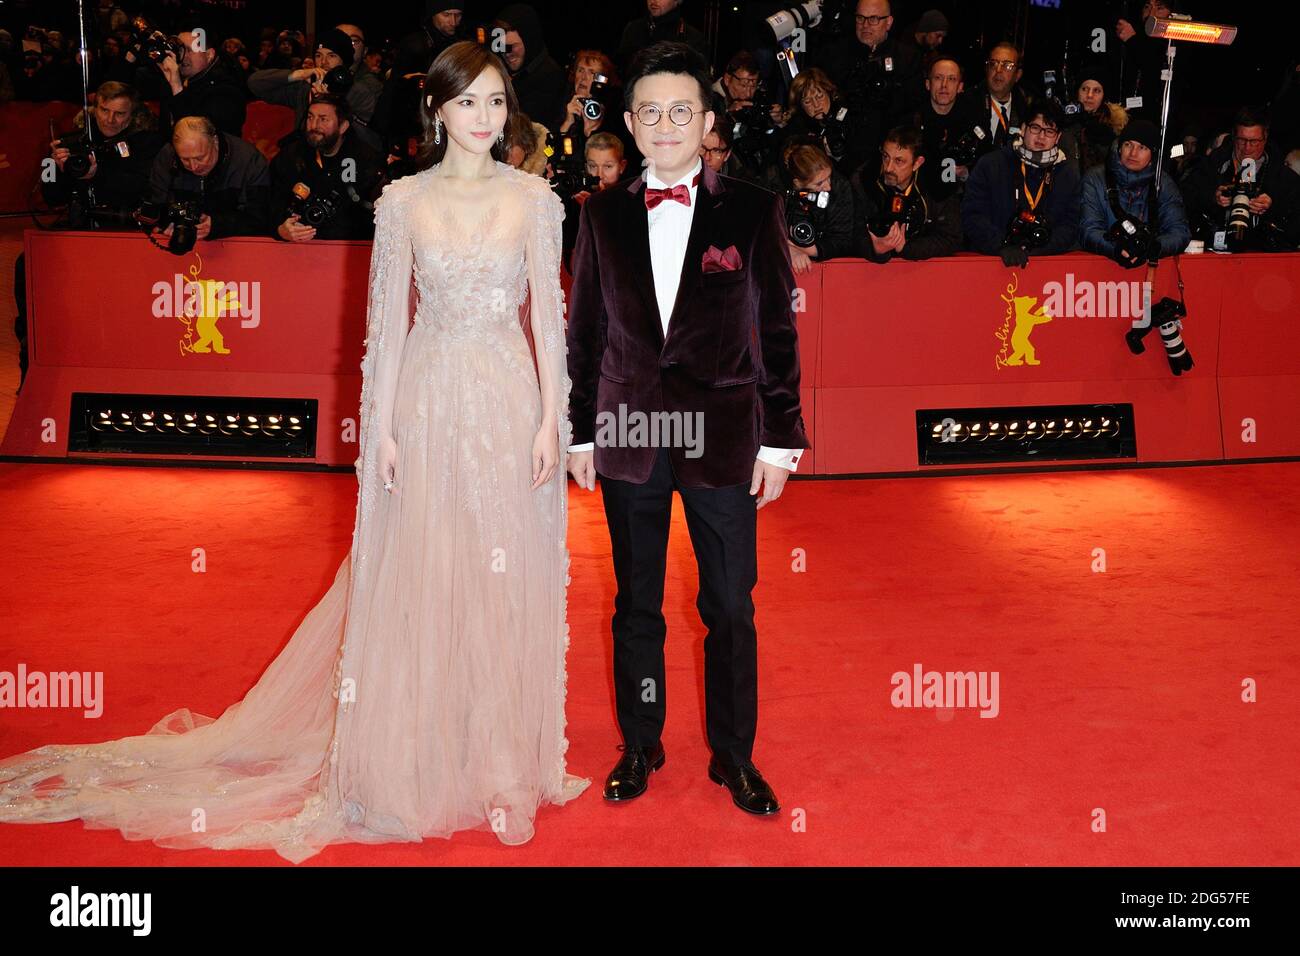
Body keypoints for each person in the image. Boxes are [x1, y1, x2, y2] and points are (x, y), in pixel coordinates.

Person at [0, 41, 590, 863]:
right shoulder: (401, 202)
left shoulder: (536, 201)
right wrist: (379, 427)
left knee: (501, 564)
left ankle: (498, 756)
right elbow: (384, 330)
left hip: (507, 397)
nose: (483, 119)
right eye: (467, 104)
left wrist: (550, 425)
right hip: (425, 394)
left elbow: (551, 326)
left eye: (495, 102)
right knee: (426, 564)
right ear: (438, 111)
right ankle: (415, 746)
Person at [565, 41, 809, 815]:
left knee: (730, 605)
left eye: (681, 110)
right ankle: (641, 742)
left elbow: (776, 328)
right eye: (649, 111)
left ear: (706, 120)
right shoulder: (599, 213)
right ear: (630, 125)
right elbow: (585, 333)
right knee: (636, 604)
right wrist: (579, 433)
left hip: (725, 434)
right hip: (630, 429)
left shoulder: (753, 206)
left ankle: (734, 756)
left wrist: (780, 438)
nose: (665, 124)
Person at [962, 98, 1081, 266]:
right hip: (993, 262)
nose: (1041, 136)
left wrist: (1037, 249)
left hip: (1047, 265)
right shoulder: (991, 164)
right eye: (1035, 128)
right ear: (1023, 129)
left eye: (1049, 131)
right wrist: (1002, 245)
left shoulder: (1067, 173)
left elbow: (1070, 225)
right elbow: (973, 216)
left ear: (1058, 137)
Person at [270, 94, 388, 242]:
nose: (313, 126)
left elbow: (373, 218)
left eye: (323, 119)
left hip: (346, 247)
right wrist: (280, 228)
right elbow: (272, 202)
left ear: (343, 126)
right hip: (297, 244)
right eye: (310, 117)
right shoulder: (291, 155)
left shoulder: (365, 160)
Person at [1181, 106, 1300, 251]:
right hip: (1215, 253)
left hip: (1262, 258)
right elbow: (1183, 199)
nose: (1247, 148)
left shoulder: (1282, 176)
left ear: (1265, 138)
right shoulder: (1212, 165)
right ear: (1233, 136)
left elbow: (1295, 223)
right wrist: (1211, 198)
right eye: (1242, 140)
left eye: (1254, 141)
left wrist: (1272, 206)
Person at [1079, 118, 1190, 267]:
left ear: (1153, 154)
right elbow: (1088, 229)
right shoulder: (1095, 179)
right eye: (1128, 145)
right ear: (1119, 147)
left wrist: (1153, 248)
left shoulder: (1163, 183)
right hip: (1099, 272)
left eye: (1142, 147)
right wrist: (1116, 249)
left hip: (1148, 272)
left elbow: (1180, 231)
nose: (1133, 153)